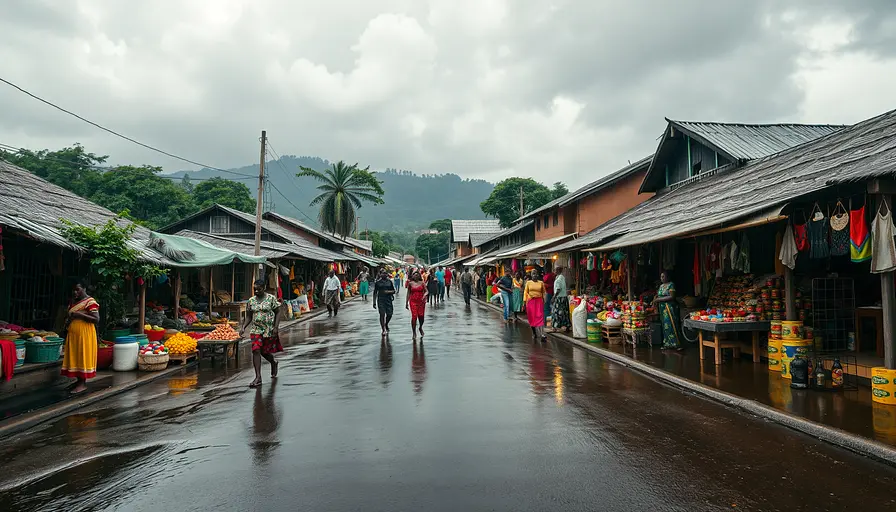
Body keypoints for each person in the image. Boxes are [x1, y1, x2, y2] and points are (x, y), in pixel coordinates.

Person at [241, 278, 284, 388]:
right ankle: (258, 377)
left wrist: (276, 327)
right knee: (256, 349)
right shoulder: (251, 301)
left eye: (258, 289)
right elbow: (249, 316)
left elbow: (278, 311)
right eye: (254, 289)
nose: (256, 292)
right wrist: (243, 327)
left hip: (268, 329)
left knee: (264, 352)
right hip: (256, 329)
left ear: (264, 288)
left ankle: (273, 362)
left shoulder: (271, 299)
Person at [62, 280, 99, 394]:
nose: (75, 292)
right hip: (74, 335)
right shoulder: (73, 302)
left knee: (82, 356)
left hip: (85, 334)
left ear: (84, 289)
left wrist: (79, 315)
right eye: (73, 290)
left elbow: (96, 319)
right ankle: (78, 381)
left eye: (77, 289)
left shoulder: (90, 301)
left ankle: (82, 383)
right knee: (75, 356)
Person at [654, 271, 683, 350]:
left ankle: (676, 343)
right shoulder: (661, 286)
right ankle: (667, 343)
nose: (662, 278)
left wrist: (658, 299)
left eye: (663, 276)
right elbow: (658, 295)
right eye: (661, 277)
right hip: (662, 308)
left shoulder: (671, 285)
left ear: (668, 277)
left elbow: (672, 296)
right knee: (665, 325)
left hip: (669, 308)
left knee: (672, 324)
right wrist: (655, 300)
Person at [524, 269, 548, 342]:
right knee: (532, 318)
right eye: (533, 273)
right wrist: (524, 303)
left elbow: (544, 292)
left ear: (538, 275)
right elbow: (525, 292)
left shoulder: (541, 283)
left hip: (539, 301)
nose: (535, 275)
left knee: (540, 317)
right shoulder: (528, 283)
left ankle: (542, 334)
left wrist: (544, 300)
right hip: (530, 301)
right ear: (531, 275)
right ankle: (534, 332)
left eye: (536, 273)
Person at [406, 270, 429, 340]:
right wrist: (406, 302)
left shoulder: (422, 283)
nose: (416, 276)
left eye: (417, 275)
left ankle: (420, 327)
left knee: (421, 317)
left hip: (421, 302)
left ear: (419, 276)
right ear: (412, 276)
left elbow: (426, 291)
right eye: (414, 275)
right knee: (414, 317)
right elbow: (408, 293)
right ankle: (414, 332)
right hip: (413, 301)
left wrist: (425, 295)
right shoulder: (410, 283)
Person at [373, 269, 396, 336]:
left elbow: (394, 291)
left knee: (390, 314)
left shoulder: (389, 282)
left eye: (385, 273)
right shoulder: (378, 282)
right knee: (382, 314)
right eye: (383, 273)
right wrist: (374, 302)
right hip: (381, 300)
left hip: (388, 300)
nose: (384, 275)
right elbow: (375, 293)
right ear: (380, 274)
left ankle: (386, 324)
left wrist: (388, 292)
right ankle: (383, 329)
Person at [550, 267, 571, 333]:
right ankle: (567, 325)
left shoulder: (559, 279)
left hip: (559, 298)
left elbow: (558, 289)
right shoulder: (562, 277)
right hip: (564, 297)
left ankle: (555, 327)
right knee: (564, 312)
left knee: (556, 312)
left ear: (558, 271)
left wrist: (554, 297)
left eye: (555, 270)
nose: (554, 271)